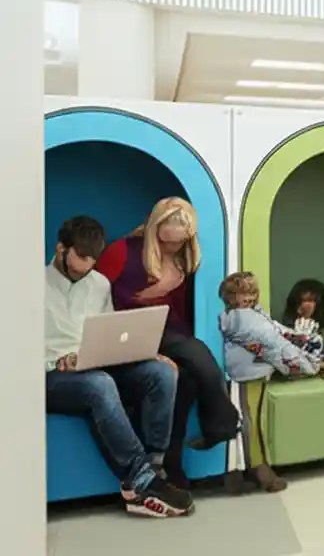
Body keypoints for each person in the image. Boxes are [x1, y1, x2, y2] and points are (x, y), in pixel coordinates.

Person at [45, 216, 194, 517]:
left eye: (93, 259)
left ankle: (153, 469)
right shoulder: (30, 285)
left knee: (161, 372)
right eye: (81, 257)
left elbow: (109, 334)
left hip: (95, 364)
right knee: (98, 384)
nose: (87, 266)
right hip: (52, 375)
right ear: (61, 248)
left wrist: (143, 354)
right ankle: (139, 483)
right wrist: (59, 361)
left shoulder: (98, 283)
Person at [96, 196, 239, 487]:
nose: (171, 248)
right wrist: (150, 293)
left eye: (178, 243)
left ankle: (171, 466)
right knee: (196, 352)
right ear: (153, 230)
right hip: (129, 332)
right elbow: (94, 295)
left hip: (170, 333)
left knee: (187, 379)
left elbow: (180, 309)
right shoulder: (122, 251)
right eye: (166, 242)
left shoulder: (183, 257)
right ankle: (223, 422)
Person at [219, 272, 324, 494]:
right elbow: (277, 345)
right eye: (243, 293)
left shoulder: (252, 316)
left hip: (253, 372)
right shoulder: (244, 319)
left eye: (252, 292)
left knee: (248, 419)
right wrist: (312, 366)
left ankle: (243, 470)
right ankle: (257, 470)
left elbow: (280, 335)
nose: (249, 297)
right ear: (231, 297)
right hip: (245, 375)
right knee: (247, 421)